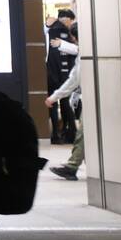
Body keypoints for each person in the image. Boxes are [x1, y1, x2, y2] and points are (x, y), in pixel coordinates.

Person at [47, 34, 85, 181]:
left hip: (96, 100)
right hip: (99, 98)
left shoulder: (84, 56)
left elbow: (73, 81)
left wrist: (54, 97)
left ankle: (72, 166)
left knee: (83, 134)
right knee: (84, 135)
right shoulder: (90, 51)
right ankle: (72, 165)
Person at [46, 10, 77, 144]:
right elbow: (77, 49)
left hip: (52, 72)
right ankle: (69, 132)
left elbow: (78, 49)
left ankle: (58, 134)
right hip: (65, 74)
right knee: (64, 103)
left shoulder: (52, 31)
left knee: (56, 104)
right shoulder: (67, 32)